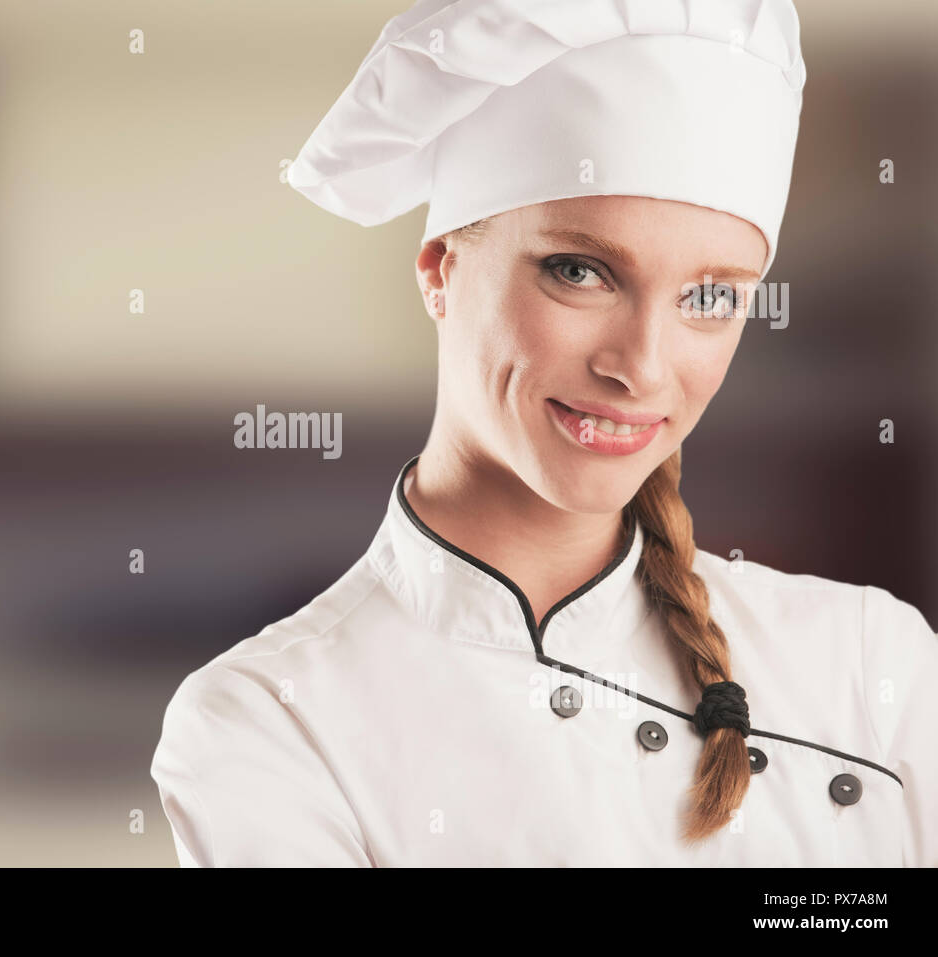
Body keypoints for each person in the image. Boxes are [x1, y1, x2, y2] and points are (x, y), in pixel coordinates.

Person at [149, 0, 937, 866]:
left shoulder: (874, 665)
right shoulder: (272, 722)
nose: (641, 366)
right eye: (580, 272)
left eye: (710, 297)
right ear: (442, 270)